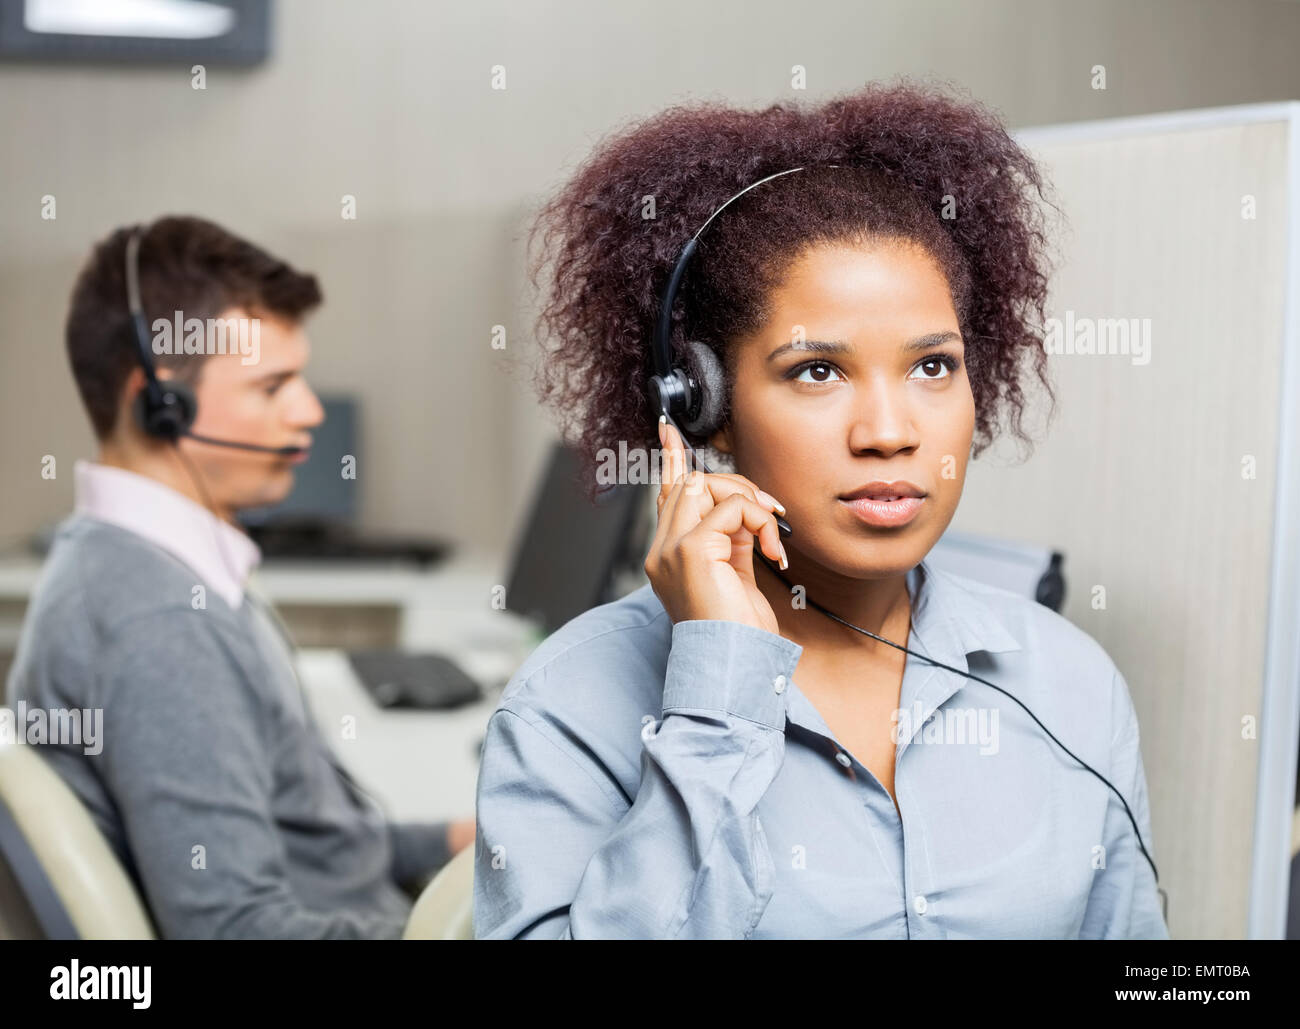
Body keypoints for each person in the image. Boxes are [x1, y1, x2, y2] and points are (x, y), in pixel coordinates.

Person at [472, 80, 1169, 939]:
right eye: (817, 371)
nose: (888, 432)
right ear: (703, 403)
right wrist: (719, 689)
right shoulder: (569, 701)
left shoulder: (1069, 682)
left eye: (932, 367)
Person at [5, 215, 473, 938]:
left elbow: (313, 839)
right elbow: (232, 929)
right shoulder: (159, 622)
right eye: (273, 384)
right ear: (160, 406)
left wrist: (461, 840)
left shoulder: (149, 565)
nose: (310, 410)